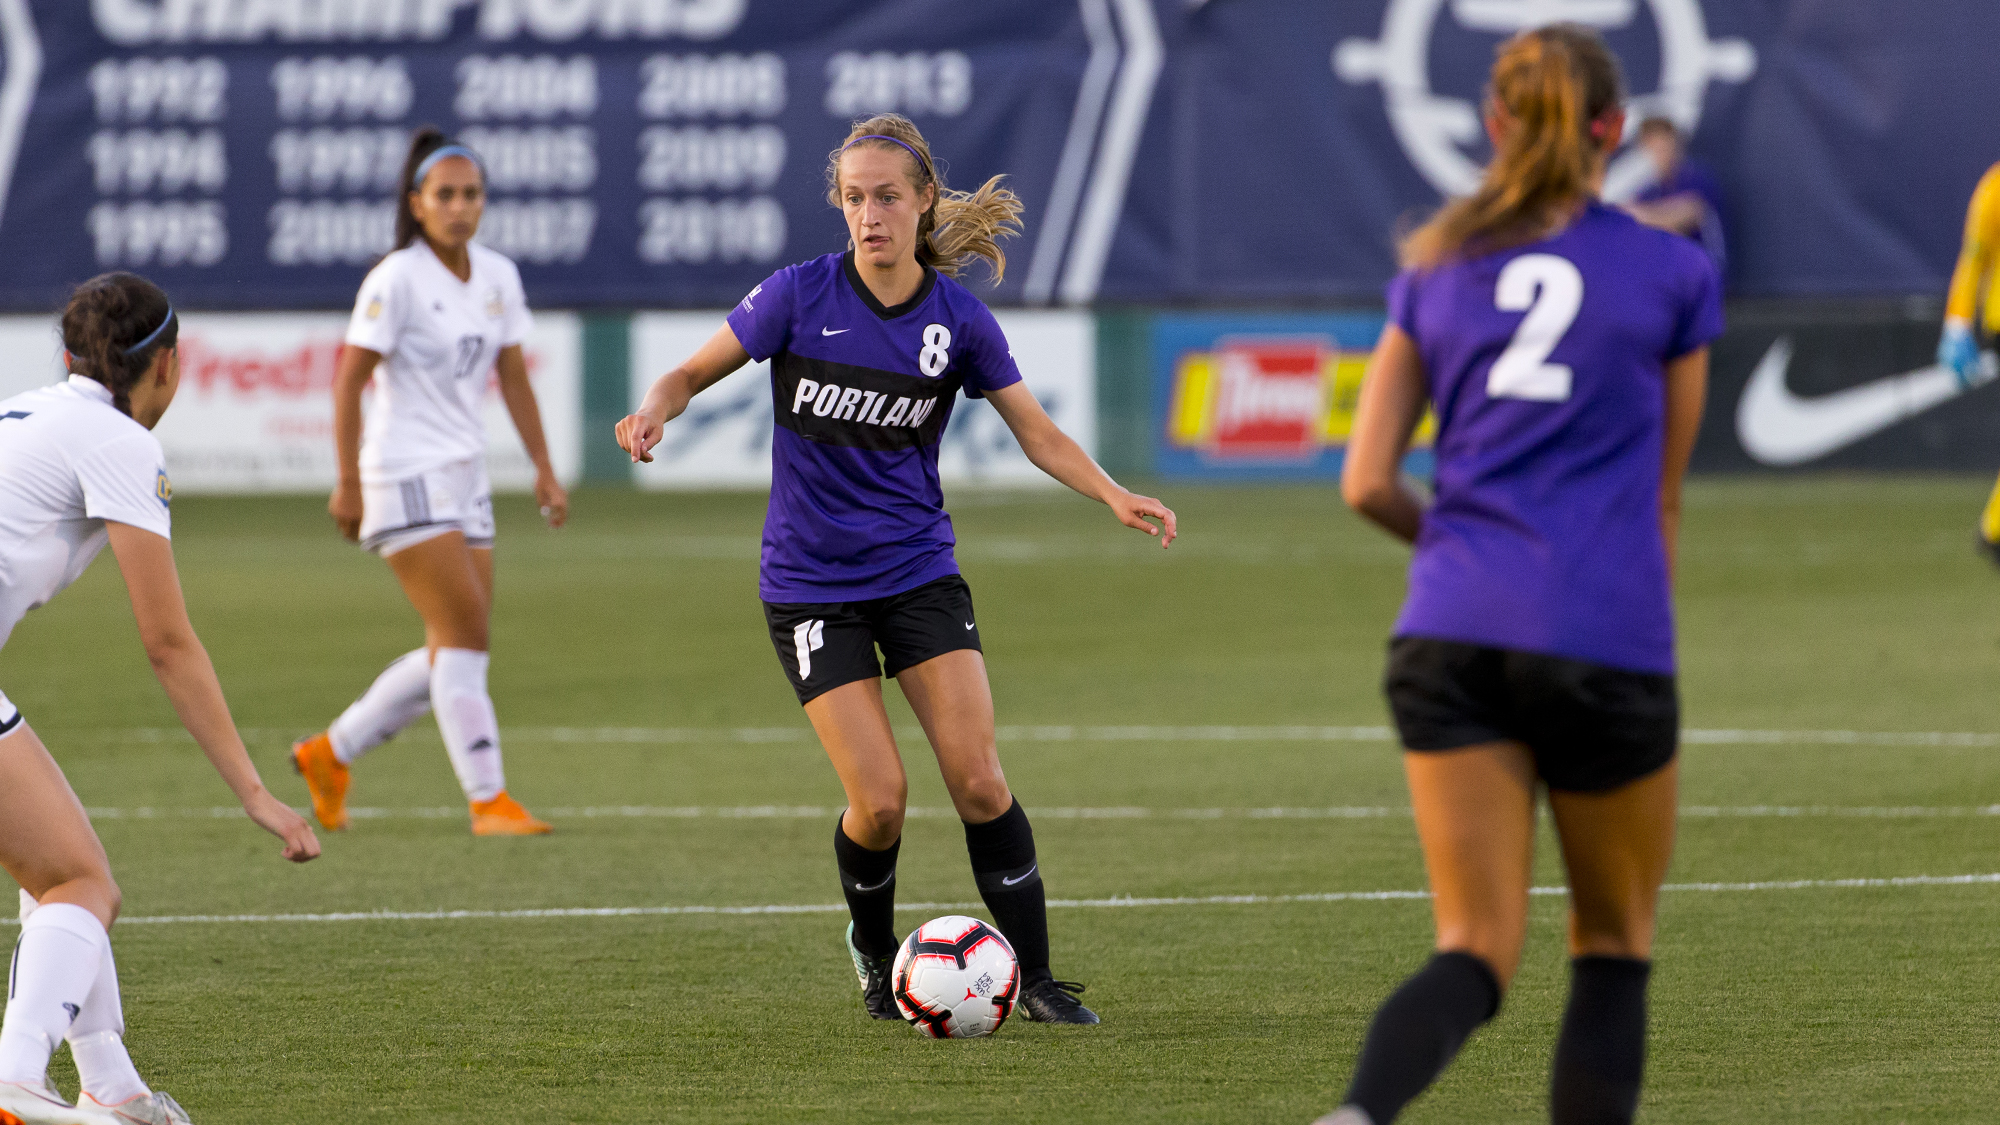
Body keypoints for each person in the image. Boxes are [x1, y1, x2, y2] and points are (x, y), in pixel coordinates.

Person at [615, 113, 1175, 1026]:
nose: (869, 215)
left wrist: (1111, 492)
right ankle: (877, 958)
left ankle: (1035, 978)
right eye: (853, 198)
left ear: (922, 205)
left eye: (886, 197)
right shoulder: (798, 295)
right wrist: (653, 410)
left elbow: (1036, 432)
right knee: (879, 803)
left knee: (981, 782)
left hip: (918, 574)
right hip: (809, 588)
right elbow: (686, 373)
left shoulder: (958, 321)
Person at [1319, 24, 1719, 1125]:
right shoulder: (1671, 271)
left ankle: (1356, 1116)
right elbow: (1663, 497)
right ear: (1612, 132)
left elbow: (1363, 481)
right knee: (1610, 949)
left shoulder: (1433, 265)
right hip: (1604, 634)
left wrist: (1457, 550)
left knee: (1473, 949)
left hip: (1448, 631)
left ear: (1491, 125)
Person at [0, 273, 321, 1125]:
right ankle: (15, 1078)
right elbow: (169, 643)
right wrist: (254, 791)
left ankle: (114, 1089)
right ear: (167, 366)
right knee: (78, 880)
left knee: (58, 870)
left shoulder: (27, 410)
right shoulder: (119, 441)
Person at [289, 129, 568, 837]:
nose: (459, 207)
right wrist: (346, 481)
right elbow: (349, 380)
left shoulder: (498, 275)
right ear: (416, 204)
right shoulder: (397, 278)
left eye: (471, 194)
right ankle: (487, 798)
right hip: (402, 470)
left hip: (464, 473)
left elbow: (510, 375)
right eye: (444, 195)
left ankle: (332, 751)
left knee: (457, 640)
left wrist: (542, 466)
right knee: (465, 633)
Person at [1935, 162, 2000, 558]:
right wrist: (1957, 326)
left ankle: (1994, 531)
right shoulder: (1995, 188)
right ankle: (1994, 533)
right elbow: (1973, 257)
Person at [1621, 116, 1726, 274]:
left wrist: (1630, 214)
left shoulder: (1697, 180)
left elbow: (1681, 217)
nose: (1661, 156)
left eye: (1664, 148)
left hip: (1708, 278)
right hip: (1673, 280)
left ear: (1676, 144)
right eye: (1653, 150)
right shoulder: (1649, 191)